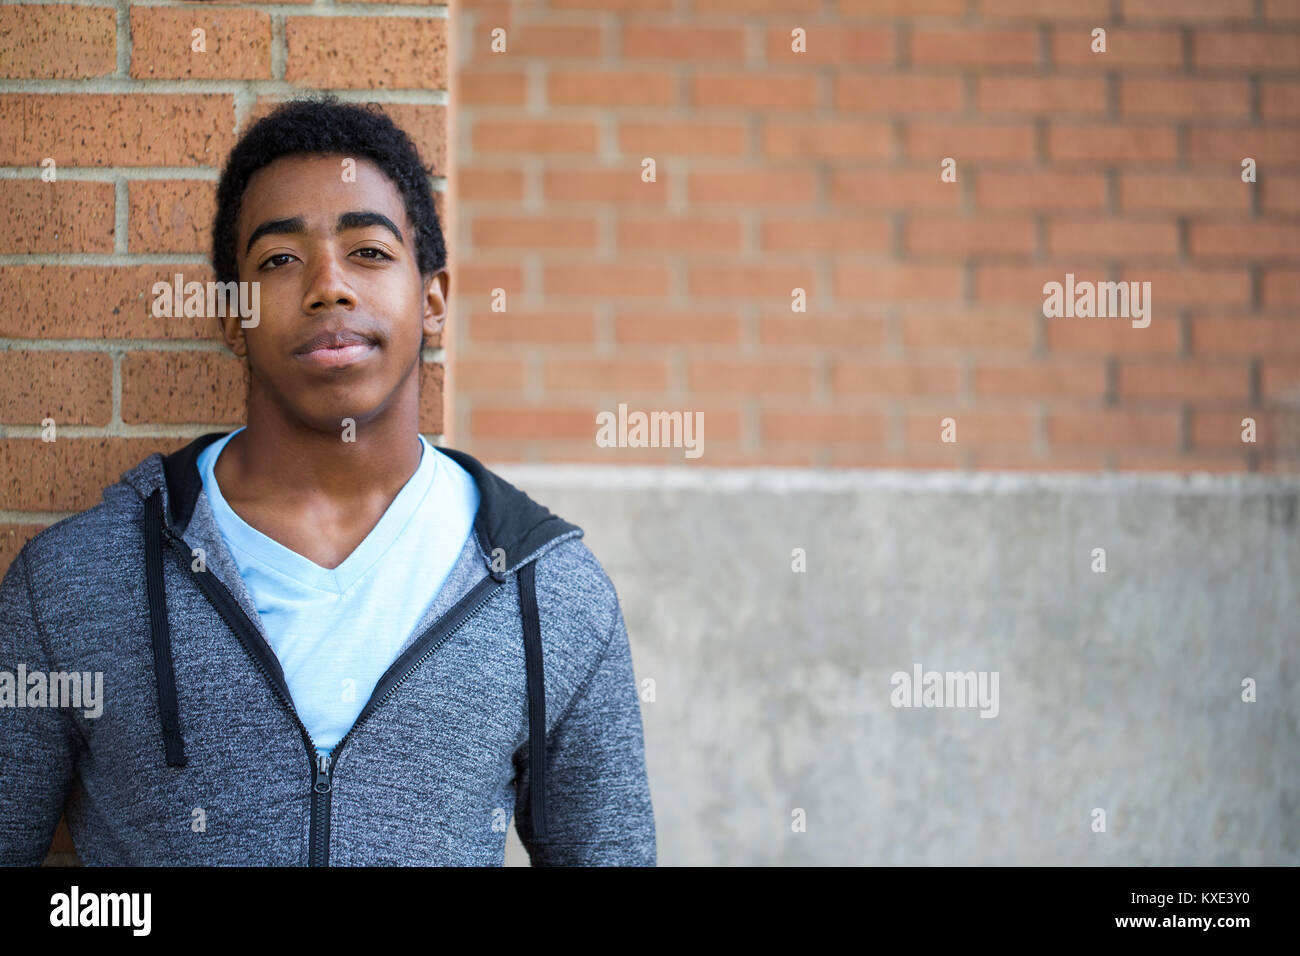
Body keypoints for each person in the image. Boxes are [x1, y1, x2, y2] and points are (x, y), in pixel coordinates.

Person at [0, 96, 655, 866]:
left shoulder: (549, 597)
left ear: (433, 299)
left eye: (370, 252)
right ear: (230, 316)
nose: (328, 286)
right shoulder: (76, 585)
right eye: (279, 260)